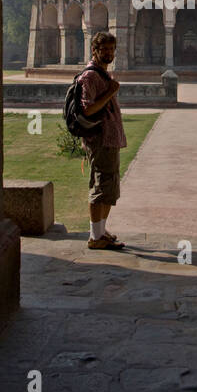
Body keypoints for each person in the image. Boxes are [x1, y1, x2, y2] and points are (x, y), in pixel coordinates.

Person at [78, 30, 127, 249]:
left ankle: (100, 232)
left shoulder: (102, 74)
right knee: (100, 187)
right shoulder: (90, 76)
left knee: (108, 186)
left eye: (111, 49)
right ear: (94, 50)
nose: (108, 53)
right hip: (99, 139)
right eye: (104, 49)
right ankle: (95, 237)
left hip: (109, 138)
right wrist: (110, 92)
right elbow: (88, 109)